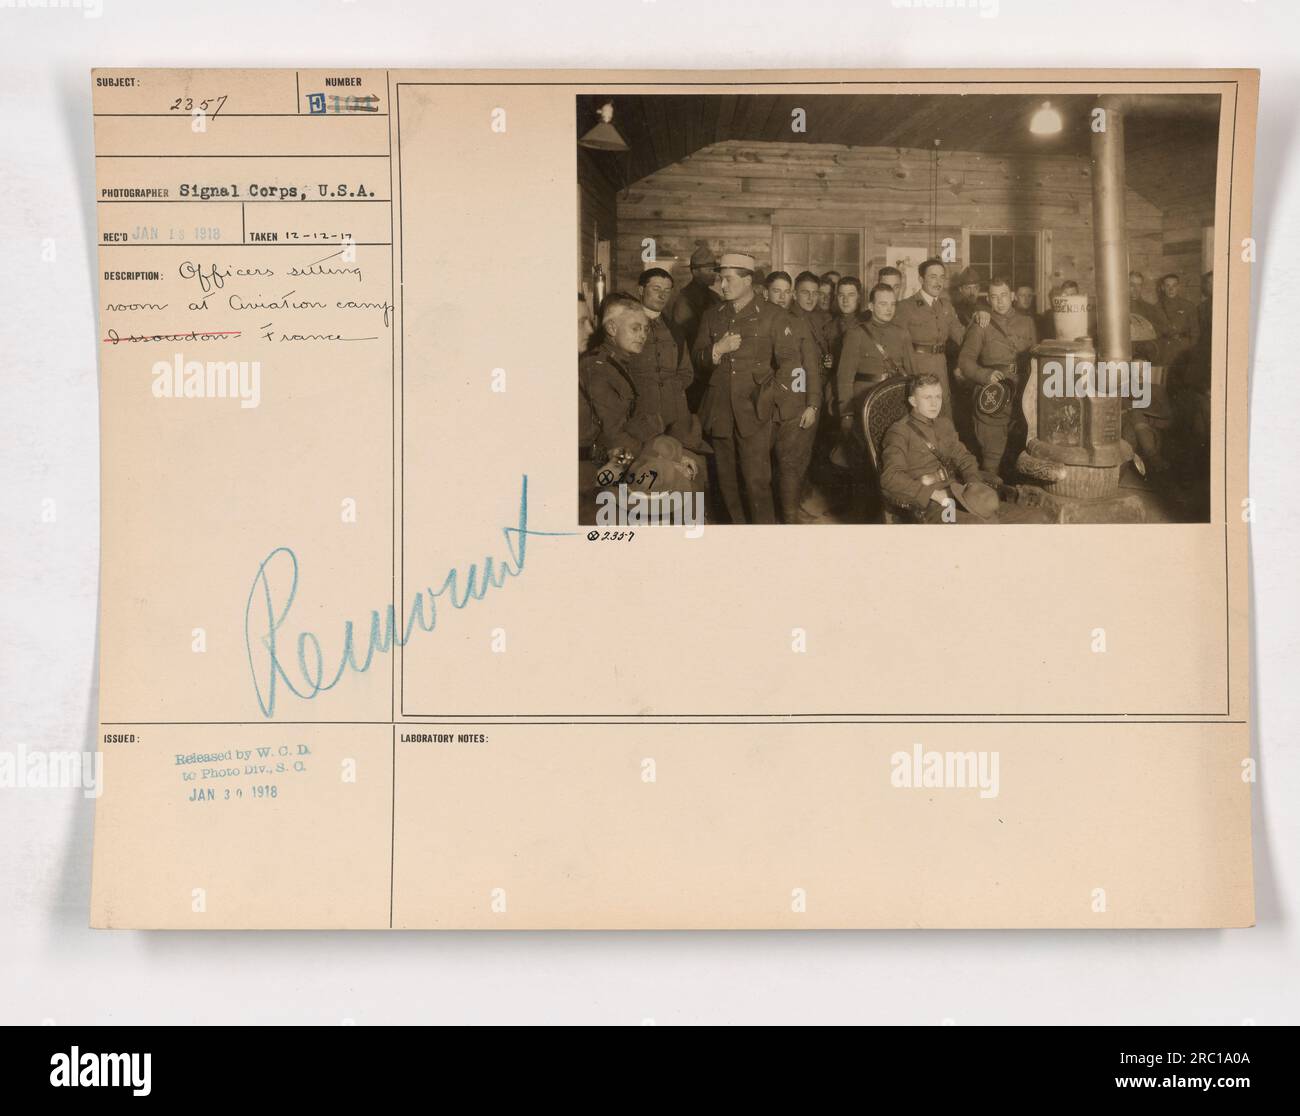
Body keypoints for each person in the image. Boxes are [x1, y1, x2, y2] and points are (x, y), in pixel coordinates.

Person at [693, 252, 805, 524]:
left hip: (755, 412)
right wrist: (717, 350)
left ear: (747, 281)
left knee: (757, 483)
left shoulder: (773, 315)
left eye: (728, 279)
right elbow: (696, 359)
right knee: (726, 484)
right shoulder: (712, 315)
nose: (722, 285)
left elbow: (792, 365)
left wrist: (768, 398)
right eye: (720, 279)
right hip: (719, 411)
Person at [880, 373, 994, 523]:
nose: (935, 404)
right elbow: (891, 478)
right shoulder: (900, 431)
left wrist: (972, 484)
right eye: (927, 398)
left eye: (938, 397)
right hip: (929, 504)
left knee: (1009, 518)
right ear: (913, 401)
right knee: (977, 527)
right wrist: (934, 494)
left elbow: (965, 458)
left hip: (958, 493)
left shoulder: (944, 424)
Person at [957, 275, 1037, 476]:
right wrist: (984, 375)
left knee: (1025, 446)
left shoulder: (1027, 322)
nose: (1000, 301)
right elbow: (964, 362)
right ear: (988, 300)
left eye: (1003, 295)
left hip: (1024, 390)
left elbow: (1036, 357)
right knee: (992, 453)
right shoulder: (981, 325)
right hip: (995, 391)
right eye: (994, 297)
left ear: (1012, 296)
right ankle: (989, 492)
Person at [764, 270, 824, 522]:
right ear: (765, 293)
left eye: (786, 292)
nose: (781, 297)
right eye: (776, 291)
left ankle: (789, 517)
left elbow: (811, 366)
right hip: (757, 409)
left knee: (791, 464)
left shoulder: (797, 324)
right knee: (759, 468)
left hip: (791, 407)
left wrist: (812, 404)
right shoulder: (750, 322)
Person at [580, 294, 656, 465]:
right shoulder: (597, 368)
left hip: (623, 450)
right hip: (603, 460)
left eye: (646, 329)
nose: (643, 335)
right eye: (635, 328)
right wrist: (658, 458)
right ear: (612, 329)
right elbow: (613, 434)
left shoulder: (618, 362)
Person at [893, 257, 967, 421]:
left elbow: (962, 337)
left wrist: (980, 320)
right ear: (921, 279)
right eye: (933, 276)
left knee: (944, 414)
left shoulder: (945, 306)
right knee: (920, 416)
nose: (938, 282)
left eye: (942, 277)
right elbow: (897, 347)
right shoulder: (906, 307)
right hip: (916, 369)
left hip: (941, 368)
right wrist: (907, 375)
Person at [836, 283, 914, 426]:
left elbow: (912, 372)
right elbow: (845, 378)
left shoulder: (902, 333)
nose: (889, 309)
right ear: (871, 306)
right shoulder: (856, 334)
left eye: (892, 304)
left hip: (896, 400)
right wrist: (846, 414)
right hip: (865, 401)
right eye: (883, 304)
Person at [628, 267, 693, 433]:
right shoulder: (625, 327)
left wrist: (670, 392)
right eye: (656, 289)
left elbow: (686, 372)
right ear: (641, 290)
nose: (662, 295)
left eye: (667, 290)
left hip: (673, 415)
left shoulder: (675, 330)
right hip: (637, 415)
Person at [672, 245, 722, 409]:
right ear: (694, 272)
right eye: (709, 269)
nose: (714, 273)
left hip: (712, 368)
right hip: (694, 373)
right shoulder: (684, 299)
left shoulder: (715, 297)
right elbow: (685, 341)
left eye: (715, 269)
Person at [1152, 272, 1200, 381]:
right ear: (1163, 288)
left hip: (1183, 351)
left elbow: (1195, 333)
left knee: (1183, 383)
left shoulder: (1188, 306)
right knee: (1163, 383)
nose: (1171, 289)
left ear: (1179, 287)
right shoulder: (1156, 308)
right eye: (1168, 286)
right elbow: (1154, 332)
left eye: (1174, 285)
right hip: (1164, 352)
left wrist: (1191, 354)